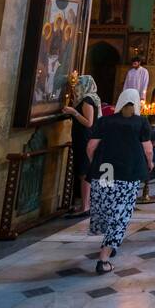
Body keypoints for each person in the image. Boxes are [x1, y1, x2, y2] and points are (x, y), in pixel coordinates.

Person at [85, 88, 153, 274]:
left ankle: (109, 242)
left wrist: (95, 163)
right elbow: (147, 149)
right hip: (127, 175)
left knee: (105, 207)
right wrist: (150, 163)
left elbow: (91, 146)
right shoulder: (140, 122)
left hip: (104, 173)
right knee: (120, 214)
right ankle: (104, 259)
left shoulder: (104, 121)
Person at [61, 74, 101, 218]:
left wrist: (74, 112)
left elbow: (88, 122)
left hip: (85, 139)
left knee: (84, 172)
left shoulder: (87, 100)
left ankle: (85, 206)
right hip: (83, 138)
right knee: (83, 171)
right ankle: (85, 203)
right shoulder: (91, 98)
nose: (76, 88)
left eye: (78, 85)